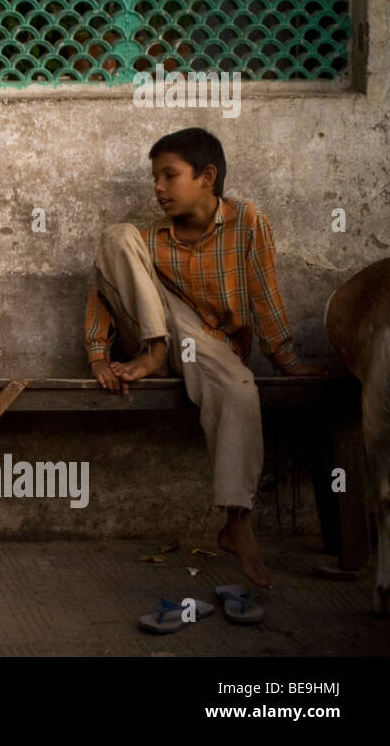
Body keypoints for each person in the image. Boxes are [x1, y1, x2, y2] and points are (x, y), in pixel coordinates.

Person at [83, 127, 326, 590]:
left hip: (211, 349)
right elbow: (103, 292)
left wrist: (287, 361)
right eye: (154, 177)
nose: (157, 187)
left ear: (207, 176)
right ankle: (155, 353)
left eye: (168, 176)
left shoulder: (248, 222)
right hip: (152, 336)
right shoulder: (148, 238)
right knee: (117, 238)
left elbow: (264, 292)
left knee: (240, 390)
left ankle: (238, 522)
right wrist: (98, 354)